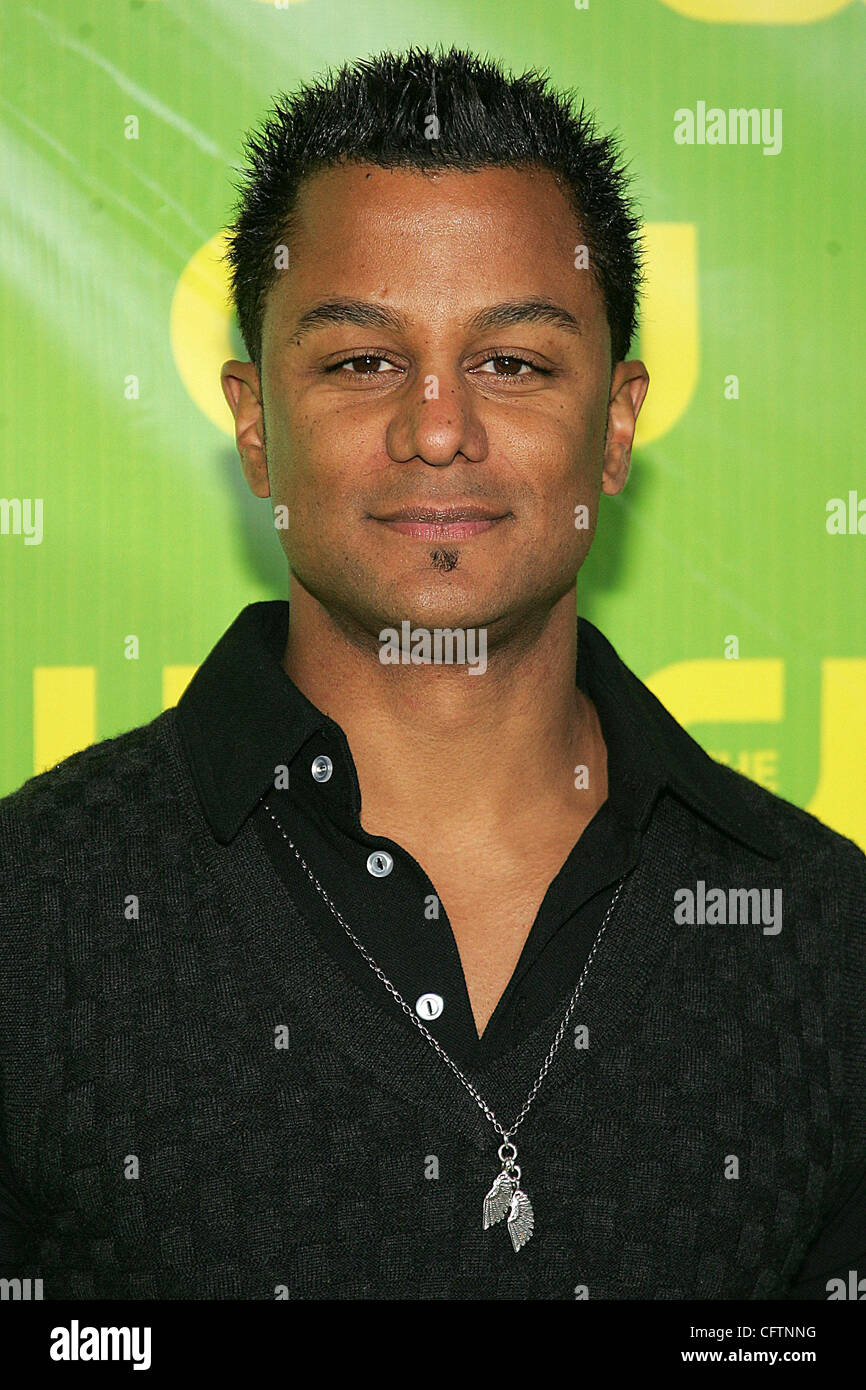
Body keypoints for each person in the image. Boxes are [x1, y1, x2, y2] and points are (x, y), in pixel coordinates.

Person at [0, 45, 863, 1300]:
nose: (438, 427)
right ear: (254, 422)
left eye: (510, 362)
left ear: (615, 426)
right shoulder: (32, 913)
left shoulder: (820, 934)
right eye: (361, 361)